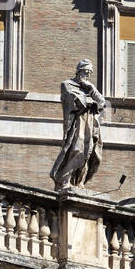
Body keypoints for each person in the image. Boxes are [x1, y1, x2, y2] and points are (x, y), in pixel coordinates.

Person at [50, 59, 107, 191]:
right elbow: (72, 100)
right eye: (86, 72)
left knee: (89, 151)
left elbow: (101, 102)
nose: (87, 75)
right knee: (77, 148)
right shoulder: (67, 84)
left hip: (90, 122)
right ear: (79, 71)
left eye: (89, 73)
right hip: (78, 122)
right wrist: (87, 101)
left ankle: (79, 182)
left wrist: (91, 89)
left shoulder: (89, 87)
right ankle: (65, 179)